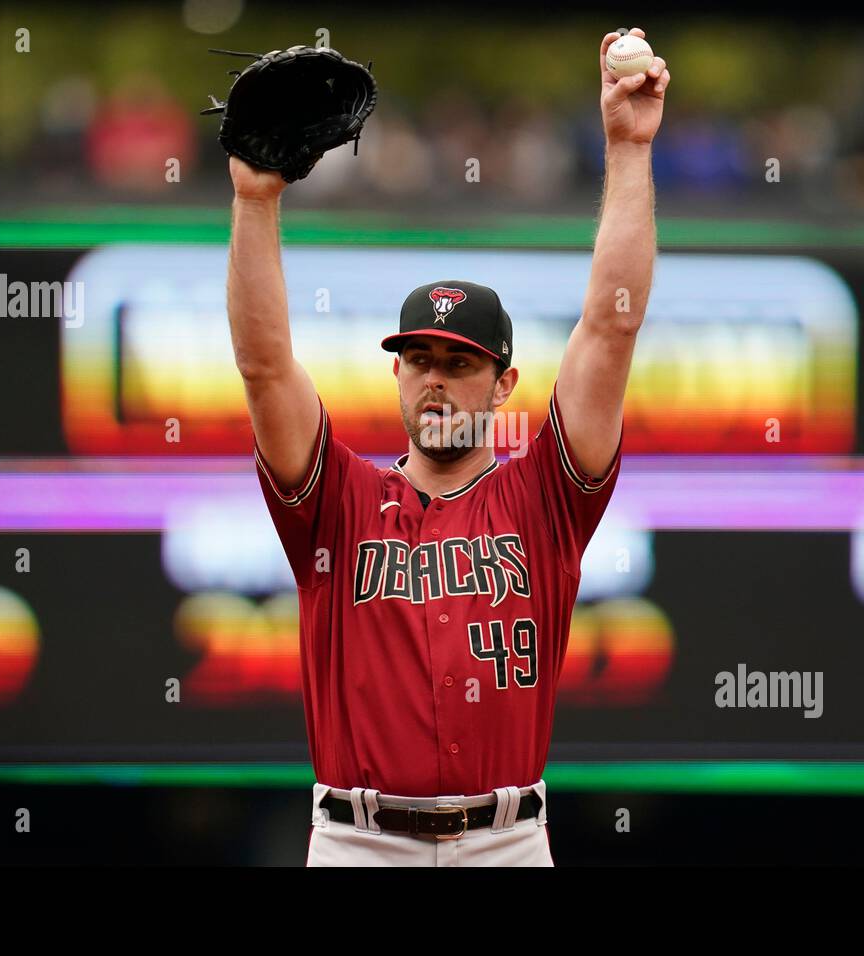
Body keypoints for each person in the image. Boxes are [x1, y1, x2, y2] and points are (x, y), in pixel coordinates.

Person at [225, 28, 669, 866]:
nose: (436, 379)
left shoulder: (545, 502)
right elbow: (262, 366)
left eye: (460, 364)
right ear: (395, 375)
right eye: (419, 358)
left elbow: (611, 326)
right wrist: (255, 203)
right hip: (359, 841)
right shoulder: (336, 503)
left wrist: (628, 146)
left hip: (506, 841)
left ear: (503, 386)